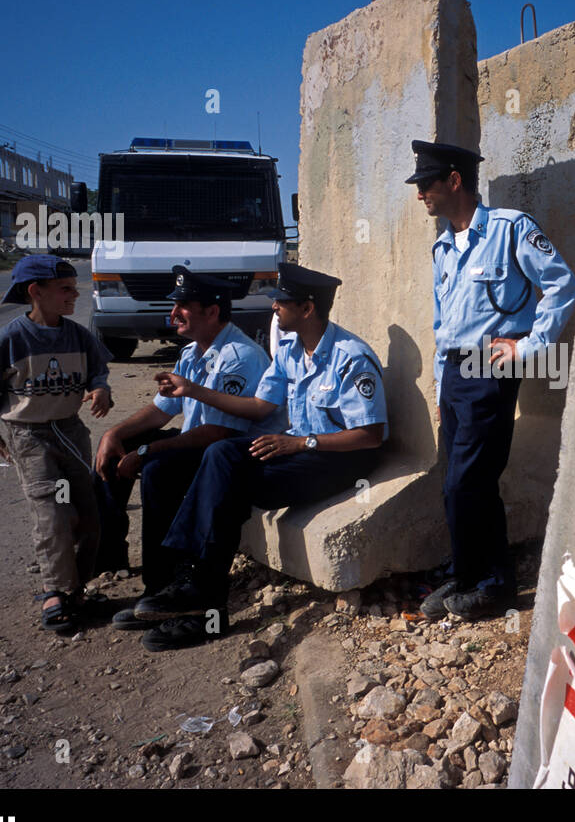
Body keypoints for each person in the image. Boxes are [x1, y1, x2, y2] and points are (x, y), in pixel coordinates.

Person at [135, 263, 387, 651]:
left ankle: (197, 597)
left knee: (228, 479)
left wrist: (302, 444)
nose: (273, 308)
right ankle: (196, 596)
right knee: (221, 459)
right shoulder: (289, 349)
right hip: (302, 450)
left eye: (281, 302)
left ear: (306, 308)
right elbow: (256, 407)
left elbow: (370, 436)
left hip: (340, 459)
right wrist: (192, 390)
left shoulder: (350, 357)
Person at [406, 139, 575, 620]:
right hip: (456, 374)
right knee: (454, 484)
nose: (421, 194)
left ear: (454, 180)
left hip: (490, 368)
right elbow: (445, 325)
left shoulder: (510, 229)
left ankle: (496, 585)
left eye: (426, 183)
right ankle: (466, 574)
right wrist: (443, 386)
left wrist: (529, 348)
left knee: (470, 482)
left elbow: (562, 285)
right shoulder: (442, 247)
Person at [93, 266, 283, 631]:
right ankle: (107, 558)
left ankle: (162, 587)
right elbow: (162, 410)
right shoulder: (194, 352)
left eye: (183, 307)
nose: (172, 315)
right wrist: (114, 433)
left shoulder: (239, 355)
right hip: (205, 442)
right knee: (121, 446)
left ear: (212, 312)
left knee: (159, 467)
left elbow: (218, 433)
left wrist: (150, 452)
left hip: (232, 453)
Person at [0, 254, 112, 633]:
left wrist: (101, 389)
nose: (74, 296)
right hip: (28, 435)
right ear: (36, 292)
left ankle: (78, 589)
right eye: (65, 289)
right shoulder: (10, 339)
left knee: (87, 513)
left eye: (75, 288)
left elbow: (98, 370)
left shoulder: (79, 335)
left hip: (70, 431)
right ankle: (54, 591)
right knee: (51, 513)